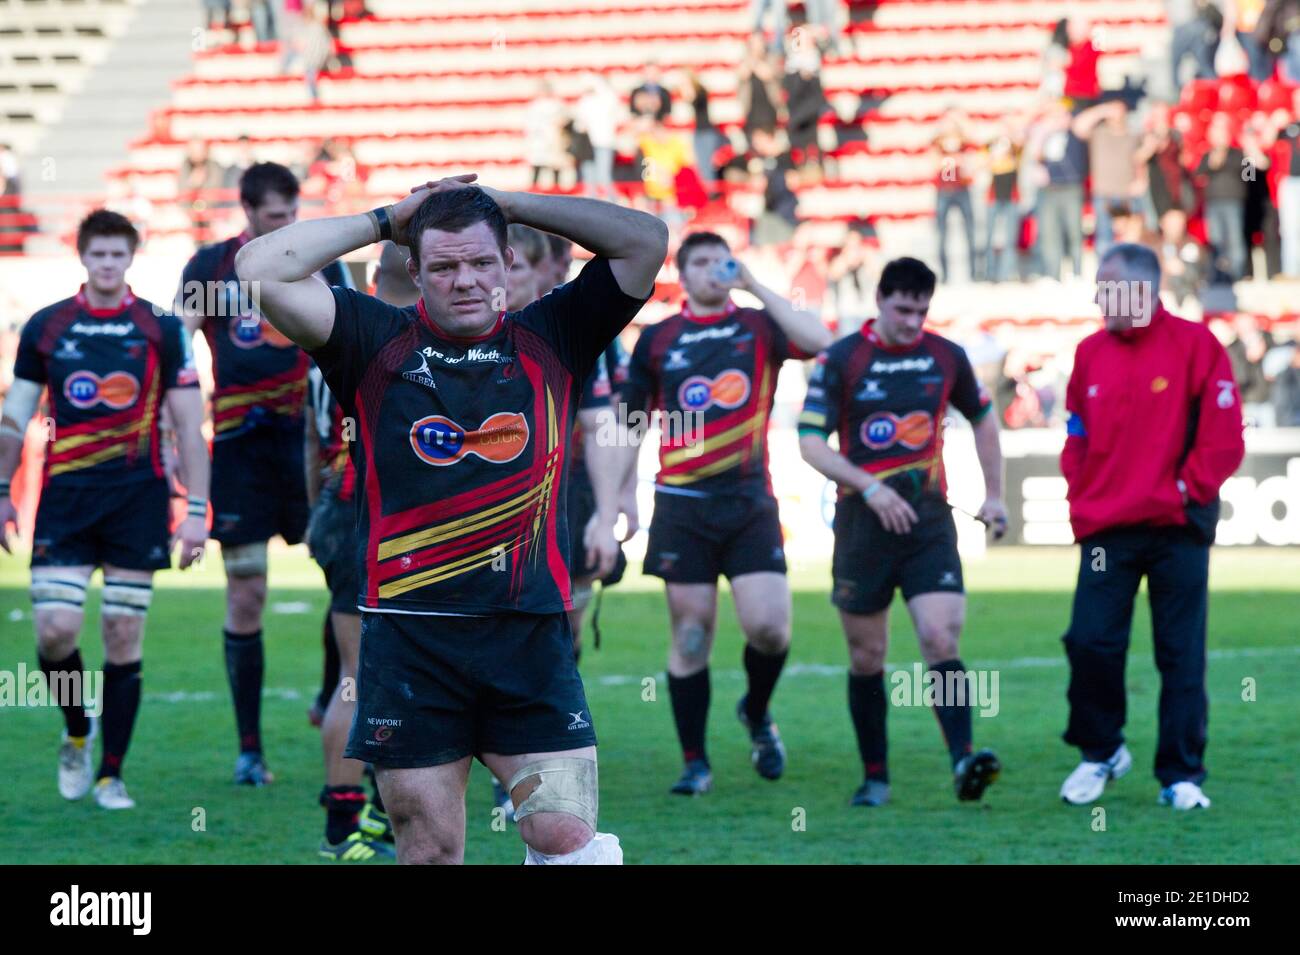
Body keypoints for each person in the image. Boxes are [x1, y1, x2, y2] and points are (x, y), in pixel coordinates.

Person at [233, 175, 667, 864]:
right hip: (412, 644)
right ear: (416, 270)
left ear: (509, 264)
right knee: (431, 850)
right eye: (443, 265)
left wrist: (510, 201)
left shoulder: (556, 333)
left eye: (480, 262)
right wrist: (384, 218)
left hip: (528, 638)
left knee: (568, 840)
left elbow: (646, 240)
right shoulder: (370, 339)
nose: (464, 280)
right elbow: (257, 267)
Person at [0, 210, 209, 810]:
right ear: (84, 257)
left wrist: (195, 510)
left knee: (122, 634)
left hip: (136, 499)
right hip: (65, 501)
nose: (109, 265)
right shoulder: (47, 327)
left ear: (131, 258)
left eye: (119, 255)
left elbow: (190, 426)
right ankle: (76, 729)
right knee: (55, 631)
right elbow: (15, 416)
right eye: (100, 255)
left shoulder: (161, 330)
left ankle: (110, 774)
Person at [618, 231, 832, 795]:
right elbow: (630, 422)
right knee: (691, 635)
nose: (715, 269)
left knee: (769, 628)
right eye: (702, 263)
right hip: (682, 506)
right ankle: (695, 762)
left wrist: (757, 286)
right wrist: (620, 495)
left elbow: (821, 340)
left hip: (748, 501)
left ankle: (756, 712)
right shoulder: (659, 339)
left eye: (723, 260)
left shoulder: (760, 327)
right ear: (682, 277)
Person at [797, 256, 1007, 807]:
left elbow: (984, 418)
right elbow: (811, 442)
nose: (913, 321)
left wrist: (996, 493)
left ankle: (963, 759)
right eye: (903, 309)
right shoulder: (842, 359)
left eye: (921, 310)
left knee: (941, 638)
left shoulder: (945, 356)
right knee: (867, 655)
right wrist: (870, 487)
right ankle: (875, 776)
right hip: (863, 523)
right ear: (880, 301)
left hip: (928, 519)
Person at [177, 162, 354, 786]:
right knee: (247, 589)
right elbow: (180, 347)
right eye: (274, 217)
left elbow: (350, 342)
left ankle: (332, 693)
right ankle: (250, 750)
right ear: (248, 211)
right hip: (239, 444)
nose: (285, 226)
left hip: (309, 443)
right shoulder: (207, 266)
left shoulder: (323, 262)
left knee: (344, 574)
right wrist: (179, 433)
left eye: (290, 215)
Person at [1058, 243, 1244, 810]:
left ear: (1140, 289)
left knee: (1180, 653)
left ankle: (1180, 776)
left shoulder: (1197, 346)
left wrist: (1186, 492)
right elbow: (1076, 433)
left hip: (1176, 527)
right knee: (1088, 640)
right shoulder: (1089, 353)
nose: (1096, 297)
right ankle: (1102, 752)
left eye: (1104, 285)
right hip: (1105, 531)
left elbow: (1225, 436)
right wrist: (1081, 489)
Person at [304, 363, 394, 861]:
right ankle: (343, 827)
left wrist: (314, 516)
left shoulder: (328, 344)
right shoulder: (406, 342)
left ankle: (377, 815)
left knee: (364, 677)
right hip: (377, 515)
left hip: (340, 514)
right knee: (361, 677)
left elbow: (309, 443)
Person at [931, 109, 978, 284]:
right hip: (944, 190)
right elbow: (933, 163)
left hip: (962, 189)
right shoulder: (937, 143)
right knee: (942, 234)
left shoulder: (964, 142)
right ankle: (944, 275)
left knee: (970, 232)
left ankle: (974, 273)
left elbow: (974, 144)